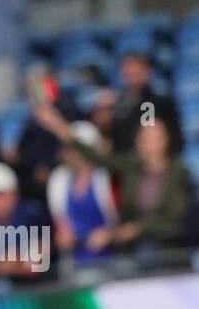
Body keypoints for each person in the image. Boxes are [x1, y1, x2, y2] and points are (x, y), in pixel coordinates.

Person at [35, 101, 192, 261]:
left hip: (171, 250)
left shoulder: (179, 172)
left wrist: (137, 228)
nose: (148, 142)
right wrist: (60, 127)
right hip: (134, 252)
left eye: (154, 137)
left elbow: (175, 215)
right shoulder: (131, 167)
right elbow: (99, 158)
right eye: (144, 137)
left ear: (166, 139)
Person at [46, 122, 118, 270]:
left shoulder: (108, 177)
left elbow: (123, 215)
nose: (75, 155)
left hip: (110, 258)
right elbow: (59, 219)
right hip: (74, 261)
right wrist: (62, 235)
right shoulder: (58, 179)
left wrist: (110, 234)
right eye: (71, 150)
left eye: (80, 150)